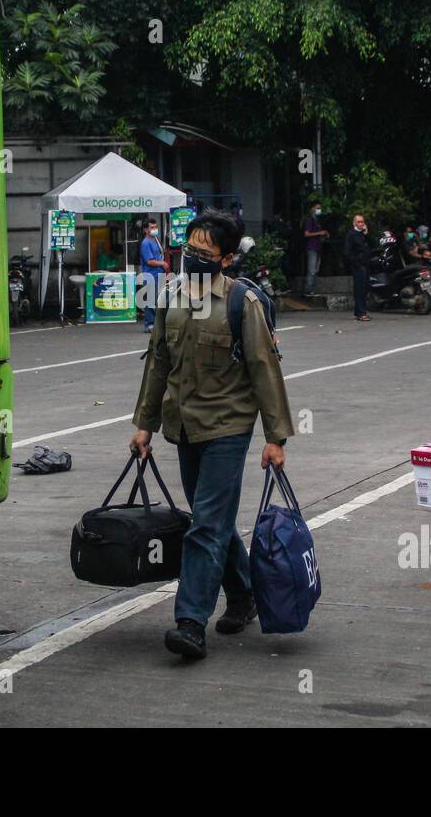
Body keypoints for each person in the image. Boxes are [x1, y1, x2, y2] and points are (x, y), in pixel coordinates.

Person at [130, 210, 294, 660]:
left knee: (204, 525)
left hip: (227, 426)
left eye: (204, 253)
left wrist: (275, 437)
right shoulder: (171, 297)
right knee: (214, 522)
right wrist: (144, 423)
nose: (194, 258)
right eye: (189, 250)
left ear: (224, 259)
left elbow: (265, 369)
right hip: (183, 426)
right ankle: (245, 595)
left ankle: (189, 623)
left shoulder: (244, 303)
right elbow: (158, 361)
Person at [138, 219, 169, 333]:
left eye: (155, 227)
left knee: (158, 300)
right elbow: (149, 261)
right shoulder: (146, 243)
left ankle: (156, 323)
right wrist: (163, 263)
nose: (154, 229)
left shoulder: (155, 240)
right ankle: (149, 324)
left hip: (158, 274)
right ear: (146, 230)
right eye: (152, 227)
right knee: (151, 300)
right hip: (150, 274)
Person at [344, 214, 372, 321]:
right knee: (359, 289)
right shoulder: (352, 234)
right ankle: (361, 313)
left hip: (365, 263)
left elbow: (371, 244)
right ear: (354, 223)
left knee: (364, 288)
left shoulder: (362, 234)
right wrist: (355, 262)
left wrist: (366, 234)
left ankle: (359, 312)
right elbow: (347, 252)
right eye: (359, 222)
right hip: (358, 265)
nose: (361, 224)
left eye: (362, 222)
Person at [302, 202, 328, 295]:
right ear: (312, 208)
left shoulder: (316, 220)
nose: (319, 210)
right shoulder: (310, 220)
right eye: (317, 208)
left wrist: (323, 234)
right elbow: (307, 234)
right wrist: (319, 233)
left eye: (320, 208)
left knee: (316, 269)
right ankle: (308, 289)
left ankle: (312, 288)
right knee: (312, 269)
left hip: (317, 247)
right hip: (312, 247)